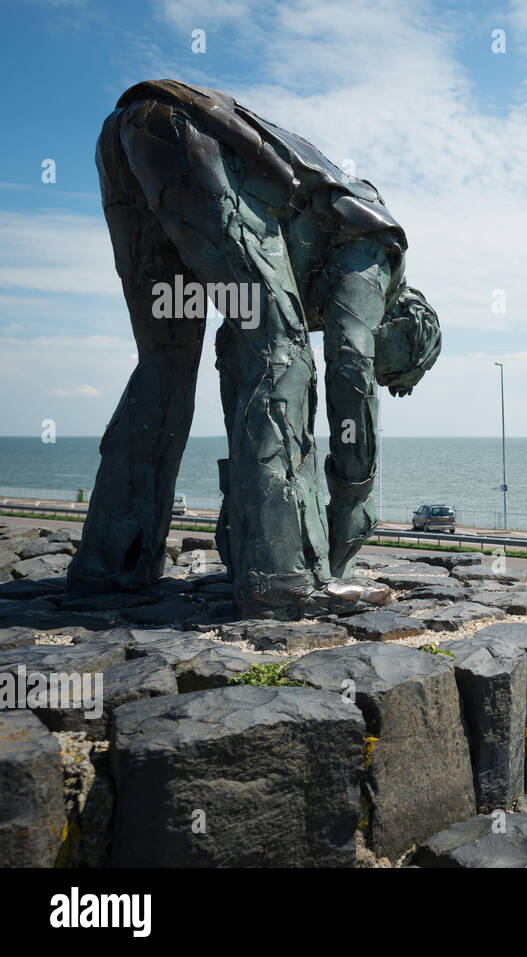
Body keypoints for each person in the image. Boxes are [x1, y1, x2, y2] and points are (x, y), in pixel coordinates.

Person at [68, 80, 441, 617]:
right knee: (284, 353)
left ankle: (112, 564)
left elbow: (234, 349)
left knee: (164, 363)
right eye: (400, 368)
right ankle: (285, 580)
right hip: (190, 136)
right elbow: (351, 369)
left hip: (131, 134)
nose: (388, 378)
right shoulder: (377, 251)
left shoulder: (320, 256)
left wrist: (242, 508)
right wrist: (356, 493)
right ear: (408, 327)